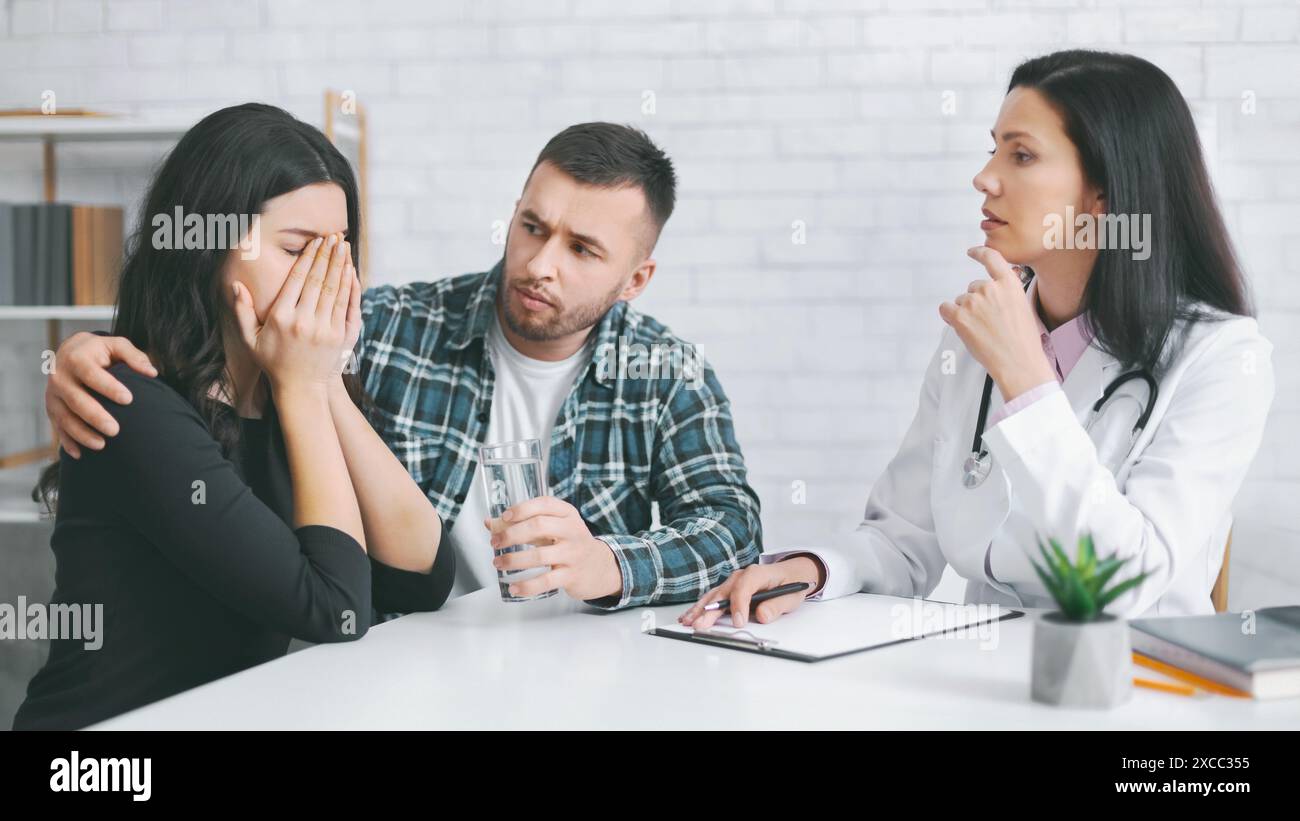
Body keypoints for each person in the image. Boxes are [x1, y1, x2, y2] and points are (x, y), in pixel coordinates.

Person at [43, 122, 761, 612]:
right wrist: (88, 351)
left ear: (635, 279)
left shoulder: (667, 372)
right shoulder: (390, 326)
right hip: (398, 662)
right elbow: (221, 359)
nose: (540, 264)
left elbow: (733, 530)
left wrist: (610, 563)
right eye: (533, 227)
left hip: (574, 669)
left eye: (582, 250)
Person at [683, 49, 1274, 630]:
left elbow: (1121, 588)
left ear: (1105, 194)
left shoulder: (1222, 358)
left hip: (1133, 686)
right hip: (981, 678)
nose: (984, 177)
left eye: (1021, 155)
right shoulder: (973, 335)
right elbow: (904, 540)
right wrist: (813, 570)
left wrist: (1028, 383)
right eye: (993, 149)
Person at [15, 104, 454, 730]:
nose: (323, 280)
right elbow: (337, 611)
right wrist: (304, 385)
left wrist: (321, 380)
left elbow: (422, 577)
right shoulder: (132, 404)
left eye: (338, 255)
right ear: (210, 249)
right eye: (298, 250)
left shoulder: (288, 392)